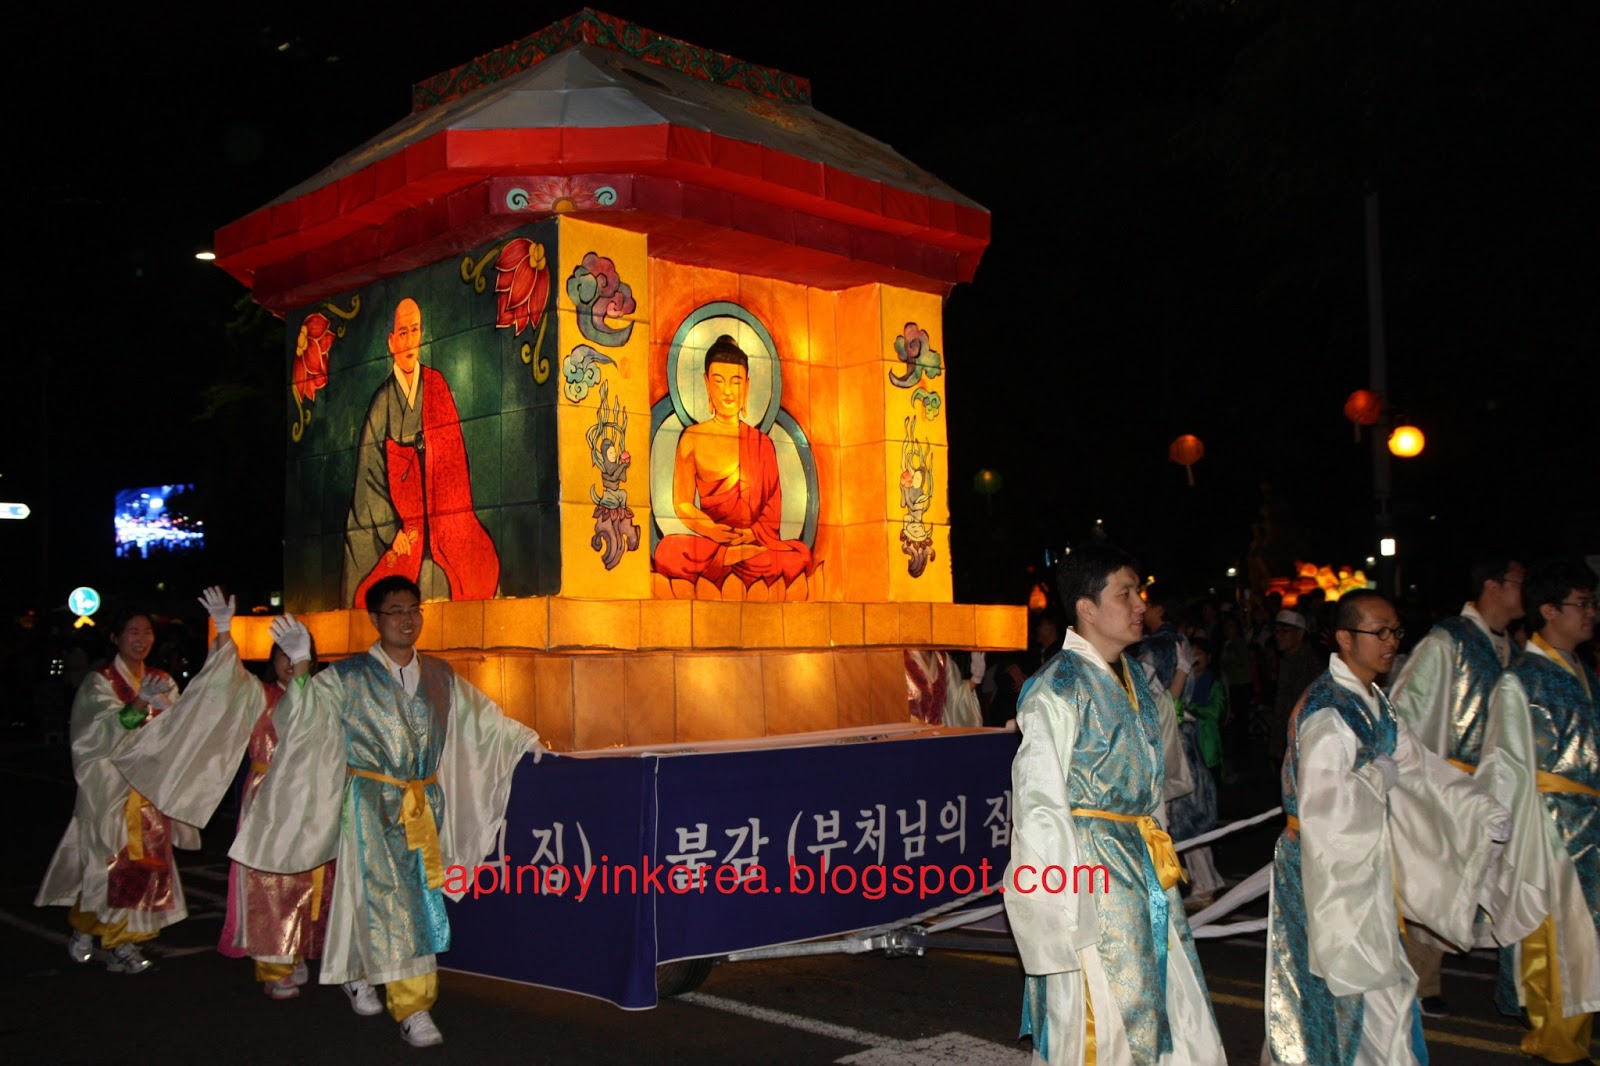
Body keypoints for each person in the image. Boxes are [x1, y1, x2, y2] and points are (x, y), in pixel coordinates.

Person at [233, 576, 547, 1047]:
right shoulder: (348, 676)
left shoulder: (441, 677)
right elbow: (301, 721)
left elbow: (484, 723)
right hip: (367, 805)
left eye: (413, 609)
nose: (407, 618)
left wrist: (524, 740)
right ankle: (414, 1006)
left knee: (406, 899)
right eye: (395, 610)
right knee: (396, 902)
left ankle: (356, 968)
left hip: (422, 806)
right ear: (375, 619)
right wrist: (300, 666)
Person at [1264, 590, 1512, 1065]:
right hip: (1323, 873)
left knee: (1377, 987)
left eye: (1395, 631)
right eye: (1379, 631)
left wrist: (1480, 807)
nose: (1390, 641)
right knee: (1343, 989)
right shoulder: (1327, 709)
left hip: (1360, 867)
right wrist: (1377, 776)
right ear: (1344, 638)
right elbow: (1324, 808)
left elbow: (1419, 767)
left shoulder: (1374, 702)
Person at [1005, 545, 1225, 1065]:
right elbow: (1038, 802)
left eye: (1139, 593)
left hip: (1143, 865)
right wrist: (1057, 906)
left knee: (1167, 998)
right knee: (1099, 1016)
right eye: (1124, 593)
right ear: (1087, 607)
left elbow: (1159, 783)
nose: (1139, 605)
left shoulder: (1140, 687)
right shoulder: (1056, 687)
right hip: (1090, 873)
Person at [114, 587, 335, 1000]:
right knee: (270, 878)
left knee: (308, 877)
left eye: (296, 655)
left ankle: (297, 948)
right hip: (268, 798)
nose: (288, 664)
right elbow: (222, 680)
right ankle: (273, 964)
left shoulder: (323, 697)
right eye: (281, 655)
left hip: (310, 799)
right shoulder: (259, 695)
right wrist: (221, 629)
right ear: (271, 661)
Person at [1387, 556, 1526, 1017]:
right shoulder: (1448, 642)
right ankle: (1420, 981)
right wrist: (1424, 785)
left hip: (1493, 786)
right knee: (1437, 881)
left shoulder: (1508, 646)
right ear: (1492, 585)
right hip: (1450, 784)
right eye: (1517, 582)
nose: (1524, 591)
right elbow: (1409, 709)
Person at [1476, 559, 1600, 1064]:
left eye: (1593, 603)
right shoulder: (1520, 681)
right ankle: (1556, 1043)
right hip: (1550, 828)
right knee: (1559, 940)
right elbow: (1502, 767)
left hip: (1587, 822)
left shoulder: (1582, 673)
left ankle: (1569, 1040)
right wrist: (1512, 845)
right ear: (1549, 610)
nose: (1592, 613)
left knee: (1586, 938)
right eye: (1583, 604)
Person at [36, 608, 187, 974]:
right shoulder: (99, 682)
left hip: (147, 794)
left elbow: (180, 733)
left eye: (147, 632)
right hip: (111, 793)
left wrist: (171, 715)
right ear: (115, 638)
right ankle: (118, 942)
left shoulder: (161, 679)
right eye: (132, 631)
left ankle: (104, 933)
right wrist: (138, 705)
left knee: (138, 869)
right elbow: (97, 734)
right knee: (108, 868)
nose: (141, 639)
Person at [342, 297, 501, 608]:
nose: (409, 341)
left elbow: (454, 461)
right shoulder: (382, 403)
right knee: (385, 589)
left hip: (438, 518)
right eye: (402, 333)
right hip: (398, 526)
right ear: (390, 342)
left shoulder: (436, 385)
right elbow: (369, 479)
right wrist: (392, 531)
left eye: (415, 331)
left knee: (469, 569)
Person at [652, 335, 814, 592]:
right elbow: (682, 502)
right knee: (667, 552)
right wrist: (713, 531)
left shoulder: (762, 443)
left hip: (755, 544)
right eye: (718, 381)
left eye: (736, 382)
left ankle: (736, 558)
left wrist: (752, 534)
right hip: (713, 544)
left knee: (800, 556)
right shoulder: (692, 438)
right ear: (706, 383)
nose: (727, 391)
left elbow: (773, 507)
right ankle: (728, 558)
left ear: (747, 386)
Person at [1174, 637, 1227, 910]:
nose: (1194, 662)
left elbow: (1216, 712)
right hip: (1195, 759)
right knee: (1196, 823)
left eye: (1198, 656)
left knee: (1194, 823)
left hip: (1204, 757)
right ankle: (1208, 879)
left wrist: (1186, 710)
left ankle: (1204, 884)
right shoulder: (1187, 685)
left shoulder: (1211, 683)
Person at [1269, 609, 1321, 771]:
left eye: (1285, 631)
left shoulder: (1312, 663)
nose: (1279, 636)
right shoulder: (1287, 659)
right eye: (1277, 631)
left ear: (1300, 634)